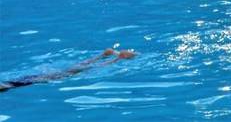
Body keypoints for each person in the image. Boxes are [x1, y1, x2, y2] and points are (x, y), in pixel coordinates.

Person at [0, 48, 135, 92]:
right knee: (73, 69)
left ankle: (118, 58)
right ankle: (104, 55)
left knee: (76, 71)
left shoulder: (6, 86)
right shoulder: (7, 84)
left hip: (35, 80)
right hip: (28, 79)